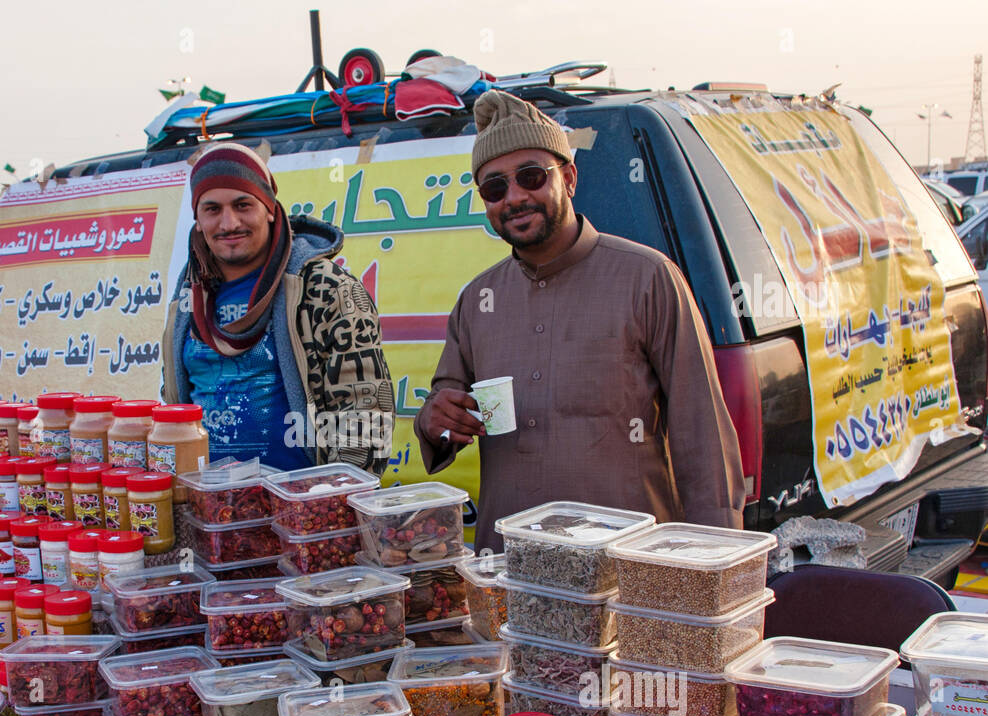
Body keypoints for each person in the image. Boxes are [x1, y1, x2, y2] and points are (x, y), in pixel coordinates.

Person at [414, 90, 745, 553]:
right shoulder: (478, 300)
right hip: (513, 574)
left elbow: (702, 434)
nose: (514, 197)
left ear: (568, 178)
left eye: (531, 177)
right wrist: (434, 421)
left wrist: (716, 561)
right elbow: (443, 410)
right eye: (495, 188)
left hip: (625, 572)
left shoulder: (648, 278)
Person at [161, 142, 396, 475]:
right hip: (210, 509)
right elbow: (175, 401)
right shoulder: (188, 296)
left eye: (243, 205)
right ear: (197, 219)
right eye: (212, 209)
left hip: (302, 511)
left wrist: (334, 501)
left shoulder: (324, 287)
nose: (228, 224)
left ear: (270, 208)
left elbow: (366, 407)